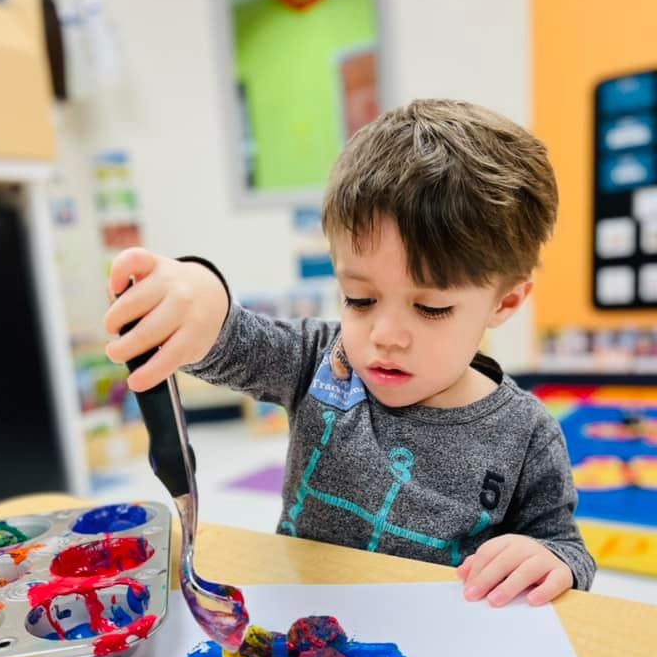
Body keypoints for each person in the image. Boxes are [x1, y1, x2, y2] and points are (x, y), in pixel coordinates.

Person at [104, 98, 595, 607]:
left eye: (429, 307)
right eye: (360, 299)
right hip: (303, 627)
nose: (386, 334)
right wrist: (200, 295)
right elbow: (231, 339)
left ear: (506, 300)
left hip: (438, 653)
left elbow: (566, 548)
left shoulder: (526, 433)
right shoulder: (322, 361)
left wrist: (549, 559)